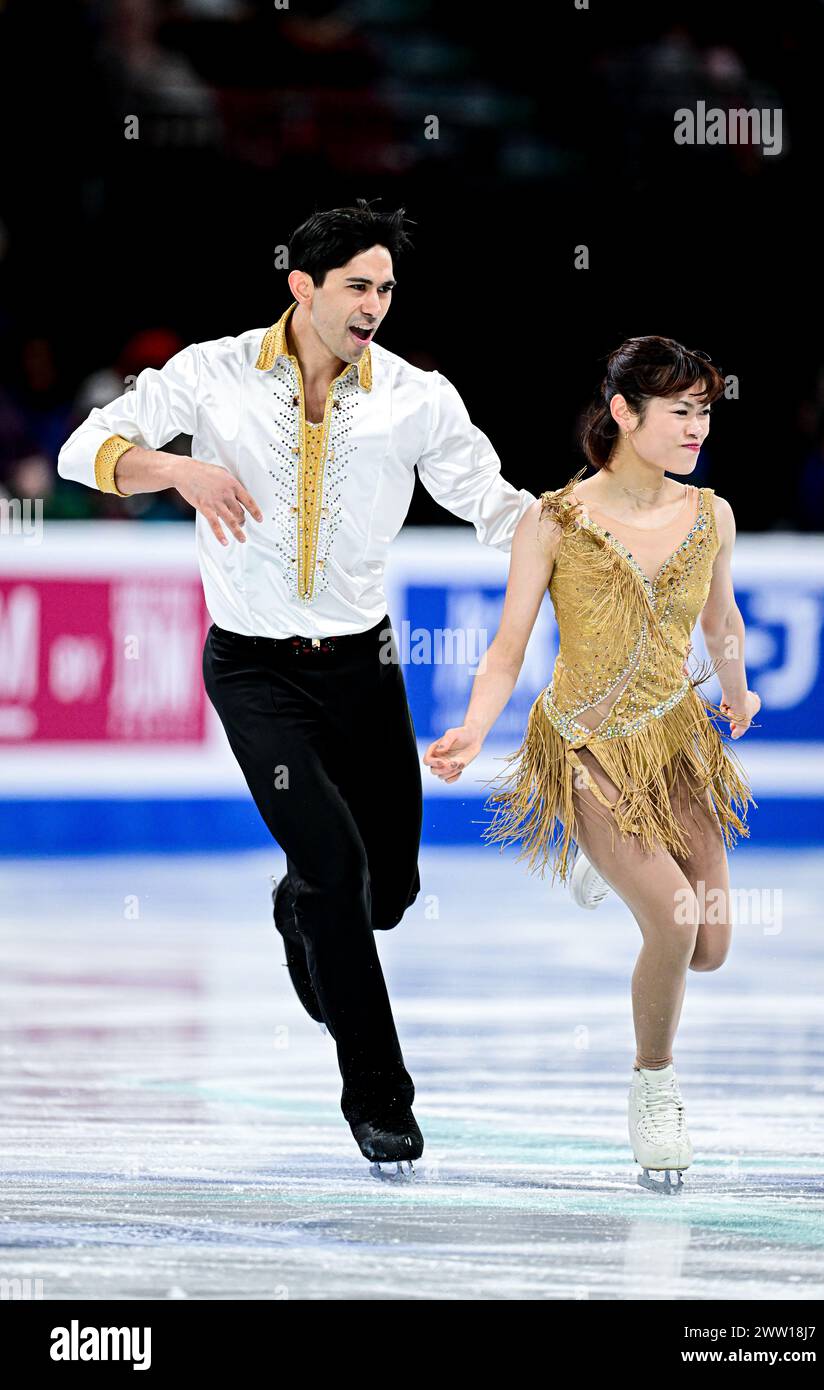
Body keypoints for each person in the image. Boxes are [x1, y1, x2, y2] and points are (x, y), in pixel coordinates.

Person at [57, 199, 536, 1172]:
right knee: (334, 870)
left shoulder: (415, 396)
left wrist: (578, 532)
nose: (374, 305)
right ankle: (379, 1098)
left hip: (366, 667)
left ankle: (299, 916)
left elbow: (496, 506)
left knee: (387, 891)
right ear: (301, 286)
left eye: (387, 289)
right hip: (253, 668)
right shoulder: (213, 372)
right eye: (357, 285)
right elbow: (81, 448)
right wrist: (174, 473)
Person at [423, 336, 759, 1193]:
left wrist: (737, 689)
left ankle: (603, 872)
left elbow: (721, 619)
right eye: (679, 410)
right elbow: (507, 648)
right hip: (580, 746)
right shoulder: (556, 519)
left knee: (712, 944)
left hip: (677, 744)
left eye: (705, 411)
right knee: (676, 919)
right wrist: (472, 728)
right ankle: (655, 1085)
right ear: (623, 412)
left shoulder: (711, 514)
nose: (697, 427)